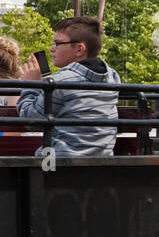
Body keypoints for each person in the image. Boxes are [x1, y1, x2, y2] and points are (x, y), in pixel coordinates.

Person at [16, 16, 121, 156]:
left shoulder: (61, 81)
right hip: (101, 163)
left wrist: (30, 84)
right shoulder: (113, 77)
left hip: (59, 164)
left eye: (57, 43)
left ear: (79, 49)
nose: (51, 49)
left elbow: (31, 120)